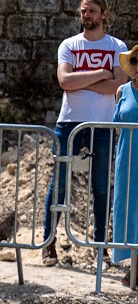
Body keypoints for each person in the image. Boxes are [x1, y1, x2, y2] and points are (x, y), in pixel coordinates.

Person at [41, 0, 128, 267]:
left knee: (101, 187)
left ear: (103, 14)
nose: (85, 15)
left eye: (91, 10)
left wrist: (83, 79)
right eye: (82, 10)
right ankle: (48, 245)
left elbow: (117, 86)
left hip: (103, 124)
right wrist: (101, 73)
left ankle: (100, 248)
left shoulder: (117, 46)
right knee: (59, 186)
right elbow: (65, 82)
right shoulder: (69, 45)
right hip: (69, 122)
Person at [111, 44, 138, 279]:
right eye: (136, 61)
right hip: (128, 158)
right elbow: (116, 124)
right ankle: (133, 265)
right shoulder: (122, 91)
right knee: (127, 210)